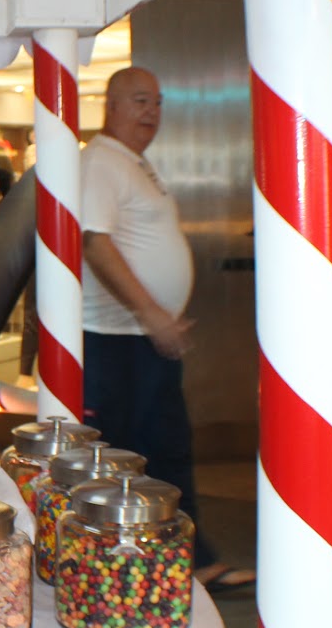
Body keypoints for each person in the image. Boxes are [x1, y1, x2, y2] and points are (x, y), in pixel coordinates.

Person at [80, 67, 253, 593]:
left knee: (163, 449)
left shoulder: (134, 165)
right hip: (116, 342)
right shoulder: (102, 163)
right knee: (126, 457)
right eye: (139, 101)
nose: (151, 112)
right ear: (110, 105)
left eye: (157, 102)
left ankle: (185, 558)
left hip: (141, 342)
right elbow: (94, 242)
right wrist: (151, 313)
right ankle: (118, 564)